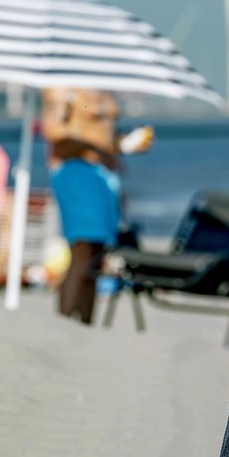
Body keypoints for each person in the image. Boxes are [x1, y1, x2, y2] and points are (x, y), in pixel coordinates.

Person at [41, 89, 153, 324]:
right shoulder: (64, 88)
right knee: (81, 250)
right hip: (75, 173)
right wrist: (106, 145)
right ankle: (64, 322)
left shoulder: (102, 84)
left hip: (101, 175)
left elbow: (101, 135)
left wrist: (125, 144)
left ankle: (84, 323)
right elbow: (53, 130)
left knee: (97, 256)